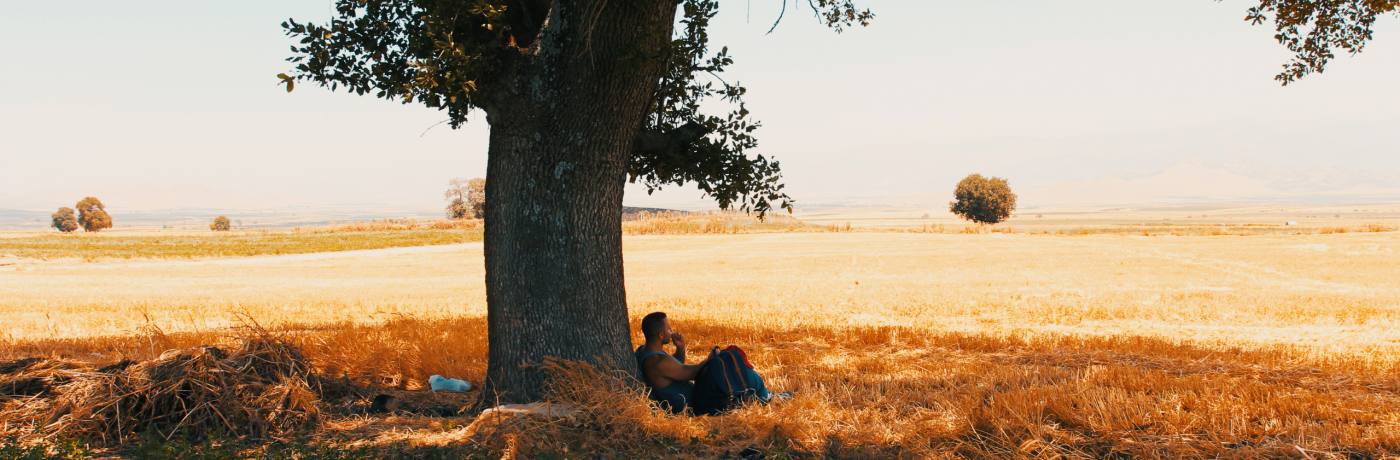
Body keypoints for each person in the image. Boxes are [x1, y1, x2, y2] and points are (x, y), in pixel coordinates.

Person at [635, 312, 782, 414]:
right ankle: (765, 396)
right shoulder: (659, 362)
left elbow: (674, 370)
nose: (671, 330)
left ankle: (763, 395)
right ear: (661, 335)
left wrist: (680, 348)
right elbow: (695, 373)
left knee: (727, 366)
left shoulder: (643, 351)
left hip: (695, 397)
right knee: (728, 361)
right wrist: (712, 359)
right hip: (695, 404)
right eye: (668, 328)